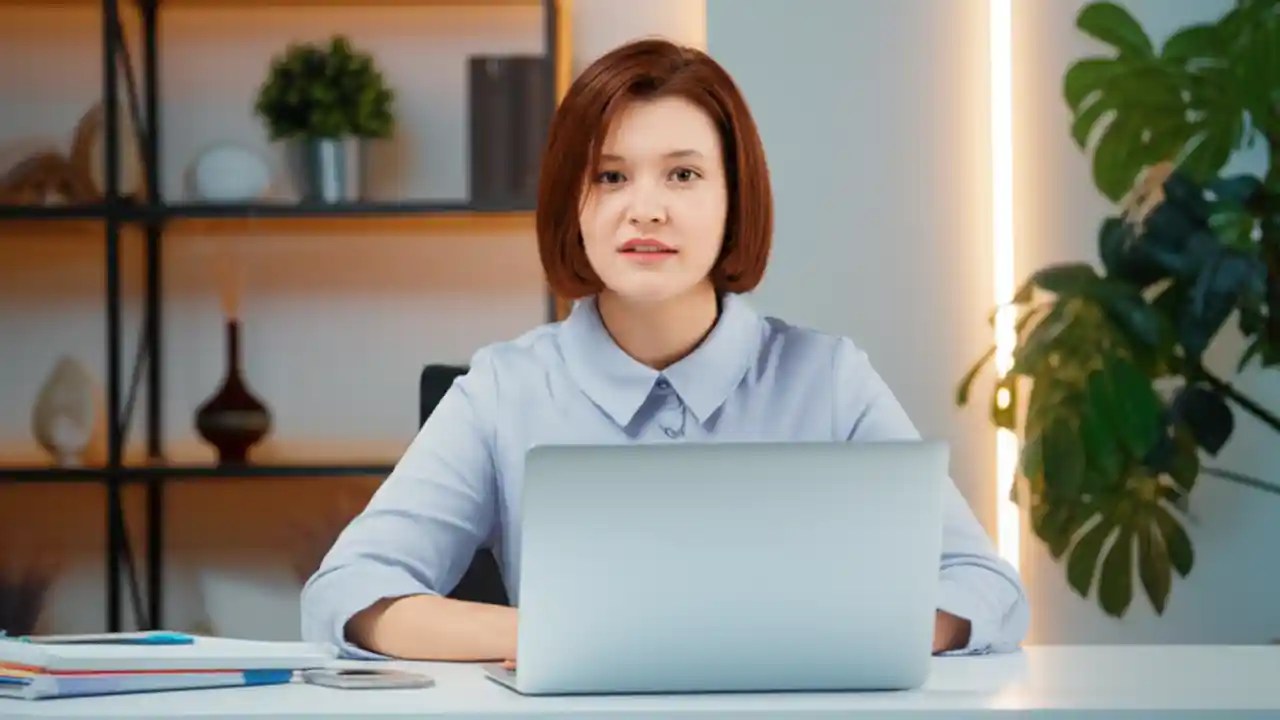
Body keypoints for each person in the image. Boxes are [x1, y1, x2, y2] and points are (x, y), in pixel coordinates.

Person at [300, 37, 1029, 663]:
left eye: (683, 174)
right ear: (573, 203)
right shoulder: (503, 390)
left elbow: (984, 588)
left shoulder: (829, 380)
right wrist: (553, 634)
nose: (645, 209)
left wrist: (814, 635)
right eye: (610, 176)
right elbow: (347, 592)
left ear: (733, 199)